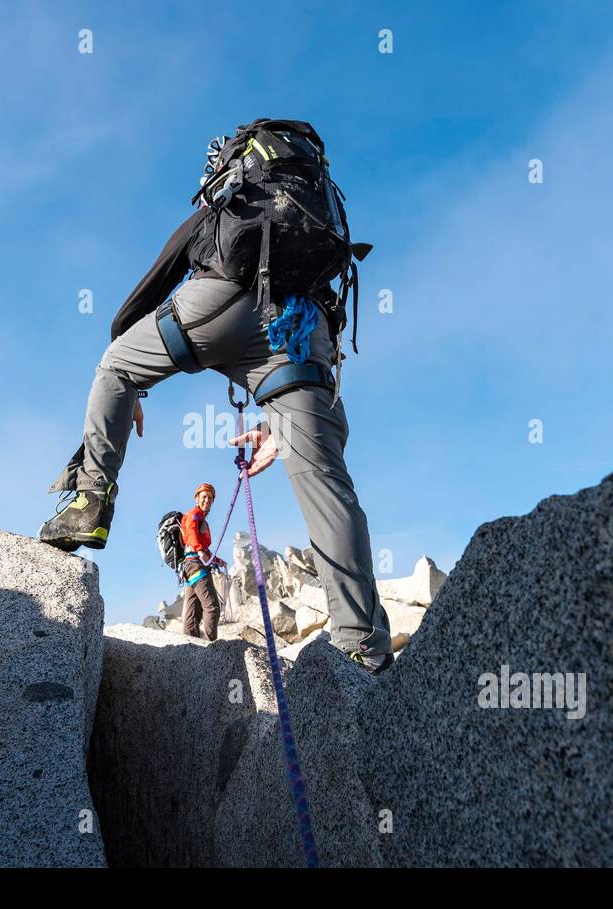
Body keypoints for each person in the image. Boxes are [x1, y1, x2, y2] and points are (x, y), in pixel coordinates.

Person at [41, 120, 393, 674]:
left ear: (230, 168)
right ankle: (362, 644)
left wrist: (132, 372)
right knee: (326, 485)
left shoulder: (228, 206)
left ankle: (89, 502)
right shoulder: (310, 225)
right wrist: (283, 422)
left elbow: (156, 280)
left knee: (114, 368)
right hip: (300, 332)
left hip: (220, 304)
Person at [179, 482, 225, 641]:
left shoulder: (201, 519)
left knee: (193, 610)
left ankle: (190, 644)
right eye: (204, 496)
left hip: (189, 566)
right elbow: (191, 533)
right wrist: (199, 550)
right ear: (197, 498)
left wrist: (217, 560)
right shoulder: (194, 515)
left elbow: (203, 548)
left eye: (210, 498)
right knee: (212, 607)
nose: (207, 500)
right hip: (196, 564)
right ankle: (210, 646)